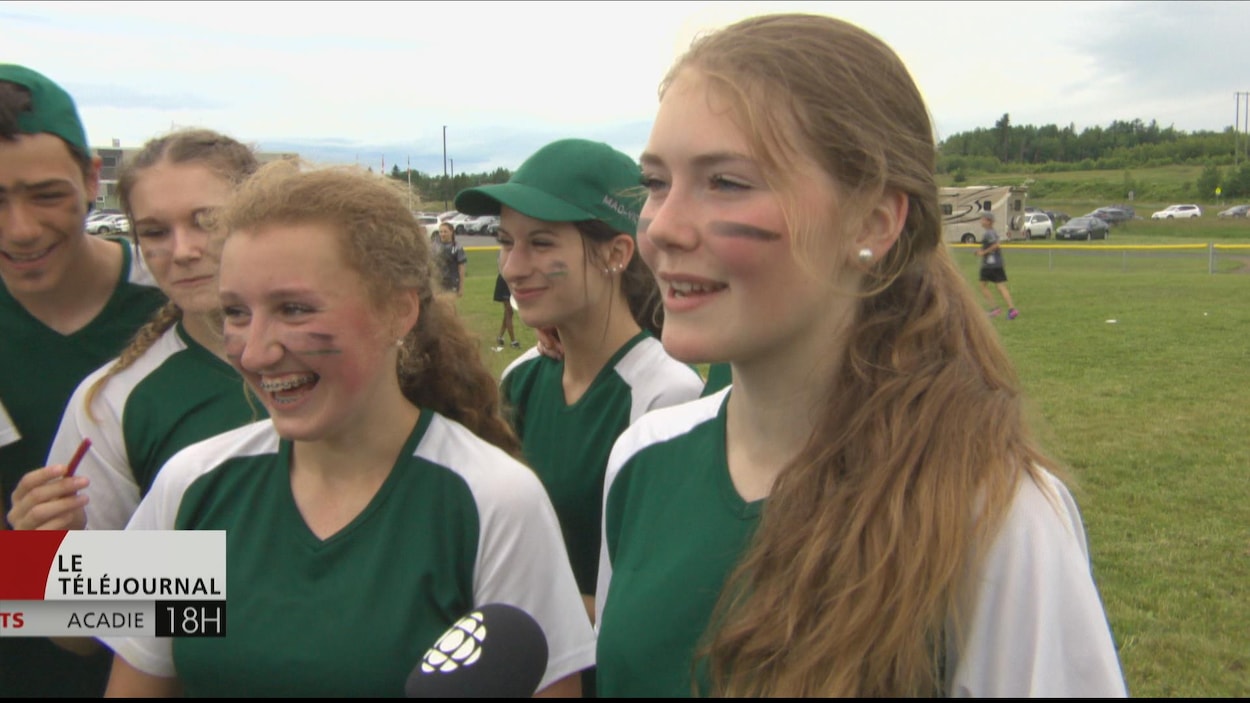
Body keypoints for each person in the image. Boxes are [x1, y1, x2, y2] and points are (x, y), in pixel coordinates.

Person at [594, 14, 1127, 697]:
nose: (662, 228)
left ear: (873, 222)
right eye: (657, 182)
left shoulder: (993, 518)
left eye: (725, 182)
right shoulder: (642, 460)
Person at [101, 162, 594, 697]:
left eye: (293, 308)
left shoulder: (491, 500)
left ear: (398, 310)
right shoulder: (193, 484)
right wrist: (34, 562)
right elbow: (112, 656)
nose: (256, 350)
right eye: (236, 312)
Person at [0, 63, 165, 698]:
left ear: (93, 178)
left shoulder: (183, 305)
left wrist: (61, 577)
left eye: (45, 194)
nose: (21, 228)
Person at [7, 128, 263, 535]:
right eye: (156, 232)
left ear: (264, 213)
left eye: (208, 221)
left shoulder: (370, 357)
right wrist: (49, 550)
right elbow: (66, 596)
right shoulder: (111, 403)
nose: (182, 251)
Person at [976, 211, 1019, 319]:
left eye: (983, 219)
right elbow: (995, 246)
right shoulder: (993, 232)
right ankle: (1012, 309)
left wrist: (983, 253)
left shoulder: (989, 233)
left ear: (988, 221)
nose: (981, 221)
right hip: (997, 264)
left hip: (989, 265)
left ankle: (995, 309)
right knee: (1000, 286)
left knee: (982, 285)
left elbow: (996, 245)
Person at [433, 220, 467, 297]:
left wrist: (461, 287)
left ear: (451, 232)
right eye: (441, 232)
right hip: (438, 281)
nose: (442, 234)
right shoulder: (434, 246)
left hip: (452, 281)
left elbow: (461, 268)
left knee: (449, 306)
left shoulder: (457, 247)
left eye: (445, 231)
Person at [491, 272, 520, 351]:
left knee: (508, 312)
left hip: (510, 279)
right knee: (509, 311)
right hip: (505, 280)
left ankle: (500, 337)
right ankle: (513, 341)